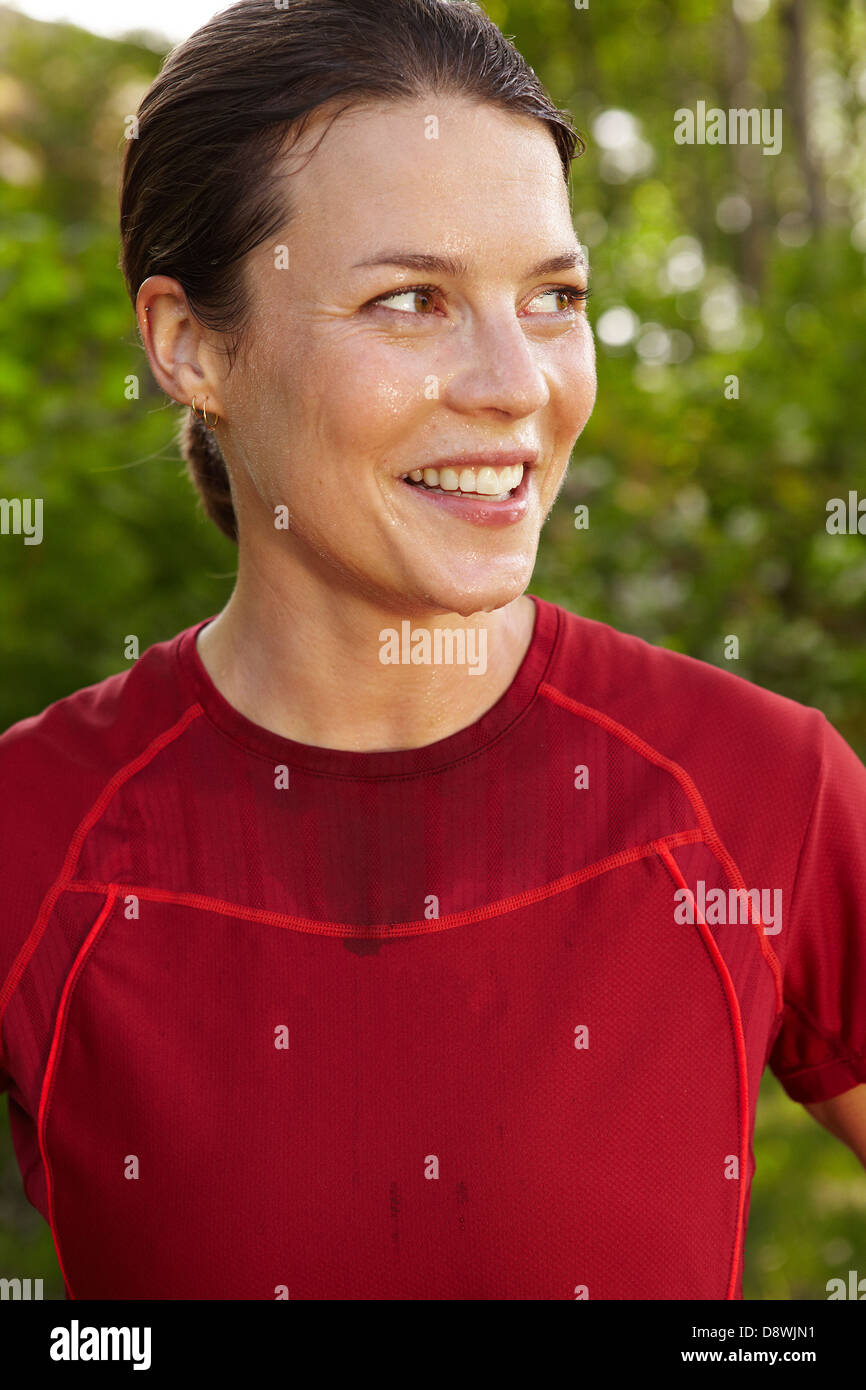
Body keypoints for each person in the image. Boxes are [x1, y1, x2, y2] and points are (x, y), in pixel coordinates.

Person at [1, 0, 864, 1301]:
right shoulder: (31, 830)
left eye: (554, 296)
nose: (516, 381)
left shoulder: (759, 786)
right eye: (410, 300)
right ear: (189, 345)